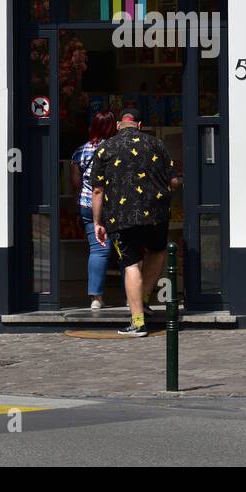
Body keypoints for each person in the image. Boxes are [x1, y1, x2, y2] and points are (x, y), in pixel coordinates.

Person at [91, 105, 183, 337]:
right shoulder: (157, 145)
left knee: (131, 264)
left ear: (120, 124)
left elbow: (98, 190)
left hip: (122, 217)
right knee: (157, 251)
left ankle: (138, 321)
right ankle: (143, 300)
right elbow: (173, 182)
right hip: (156, 214)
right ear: (141, 125)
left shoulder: (105, 148)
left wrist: (97, 222)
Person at [69, 110, 117, 310]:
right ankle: (132, 297)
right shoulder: (117, 149)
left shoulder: (80, 151)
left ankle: (96, 298)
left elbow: (75, 182)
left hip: (88, 205)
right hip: (115, 206)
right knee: (126, 251)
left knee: (98, 251)